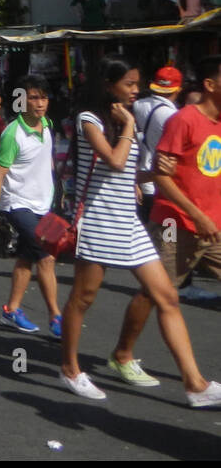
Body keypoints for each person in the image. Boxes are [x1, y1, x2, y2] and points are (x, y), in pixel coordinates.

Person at [58, 56, 221, 406]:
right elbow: (114, 162)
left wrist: (155, 172)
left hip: (128, 221)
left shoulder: (122, 123)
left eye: (136, 83)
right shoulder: (90, 119)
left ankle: (195, 384)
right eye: (129, 84)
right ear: (108, 85)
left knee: (166, 296)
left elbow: (126, 175)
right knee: (83, 298)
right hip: (99, 221)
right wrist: (130, 126)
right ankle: (70, 368)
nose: (136, 90)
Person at [0, 77, 62, 334]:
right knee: (46, 256)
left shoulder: (47, 126)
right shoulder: (12, 134)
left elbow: (45, 162)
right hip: (17, 204)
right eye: (34, 98)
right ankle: (57, 318)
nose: (40, 104)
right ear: (21, 101)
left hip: (42, 205)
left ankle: (11, 310)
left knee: (28, 256)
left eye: (43, 97)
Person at [133, 65, 182, 223]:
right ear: (178, 90)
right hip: (165, 187)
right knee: (169, 234)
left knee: (148, 233)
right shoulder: (174, 116)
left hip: (142, 180)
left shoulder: (137, 105)